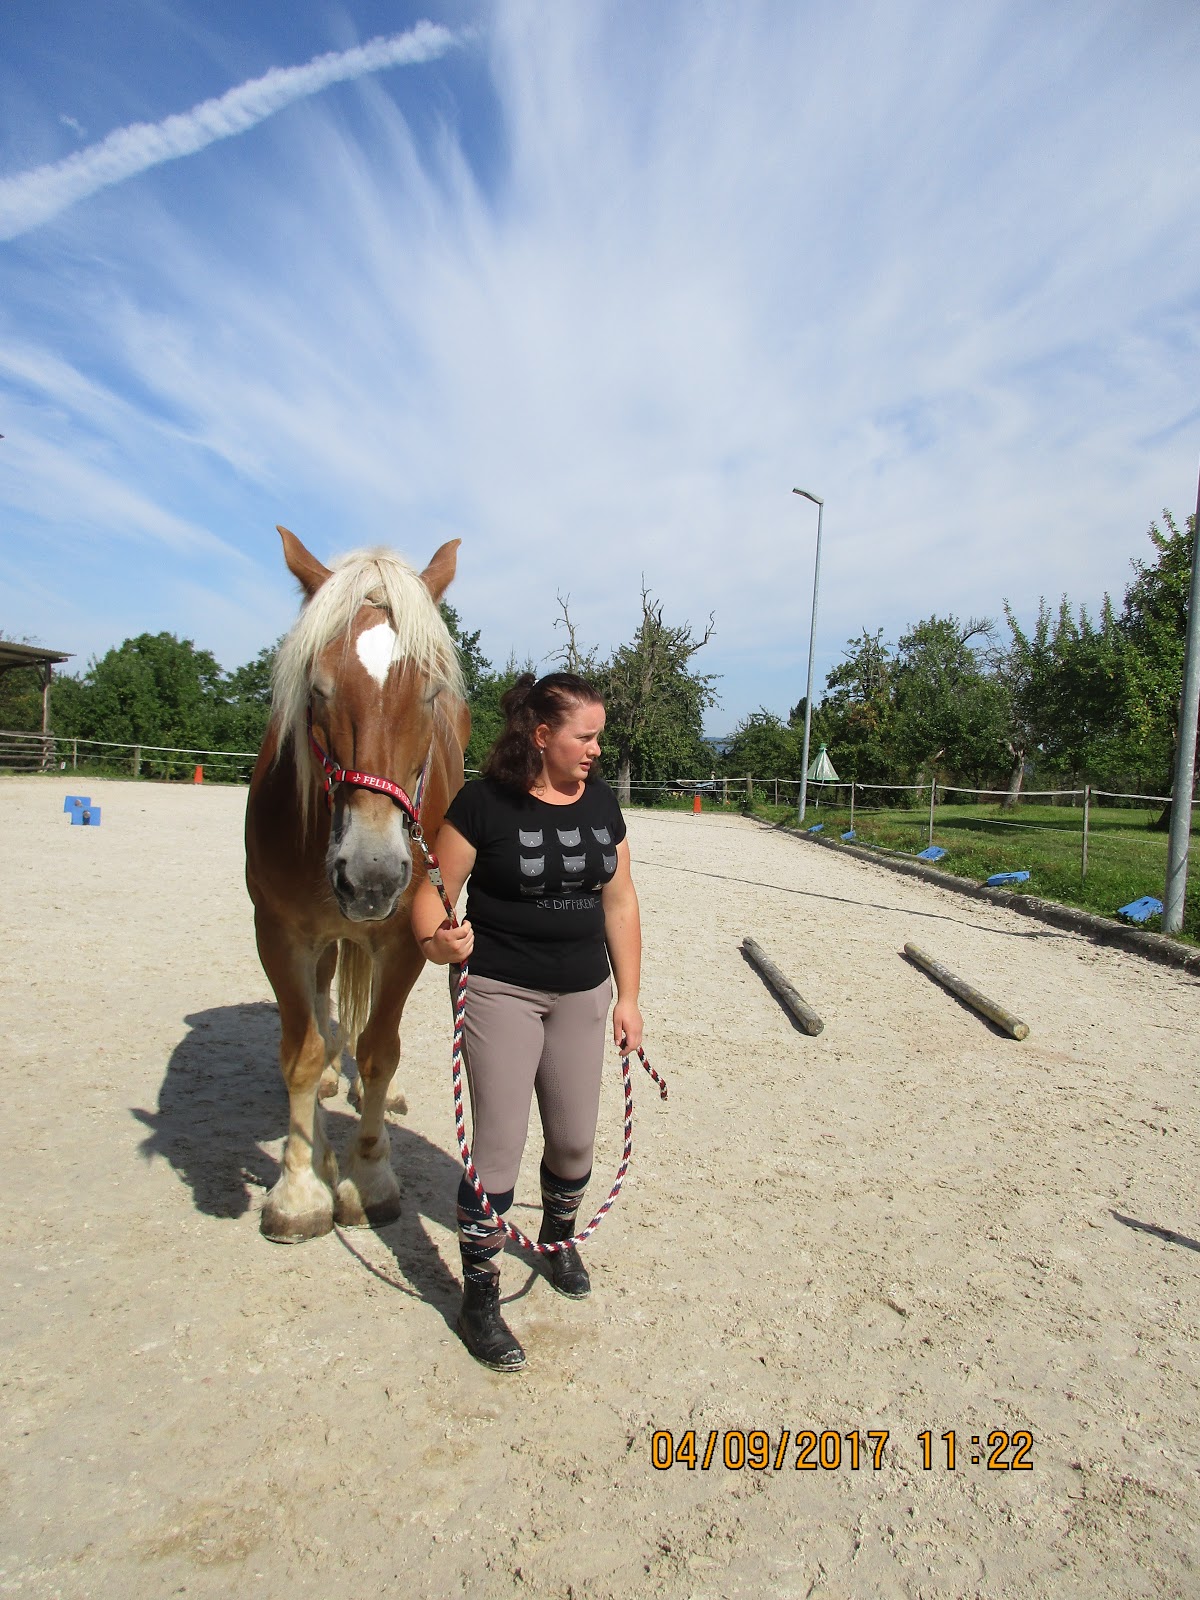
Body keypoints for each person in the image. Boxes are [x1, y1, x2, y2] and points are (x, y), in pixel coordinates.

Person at [411, 671, 643, 1372]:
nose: (597, 749)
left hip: (581, 992)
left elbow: (621, 903)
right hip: (500, 990)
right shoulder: (484, 804)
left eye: (599, 736)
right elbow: (432, 892)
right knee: (499, 1152)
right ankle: (478, 1297)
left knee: (574, 1145)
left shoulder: (602, 805)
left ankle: (557, 1237)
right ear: (542, 736)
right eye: (586, 736)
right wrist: (436, 940)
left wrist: (628, 998)